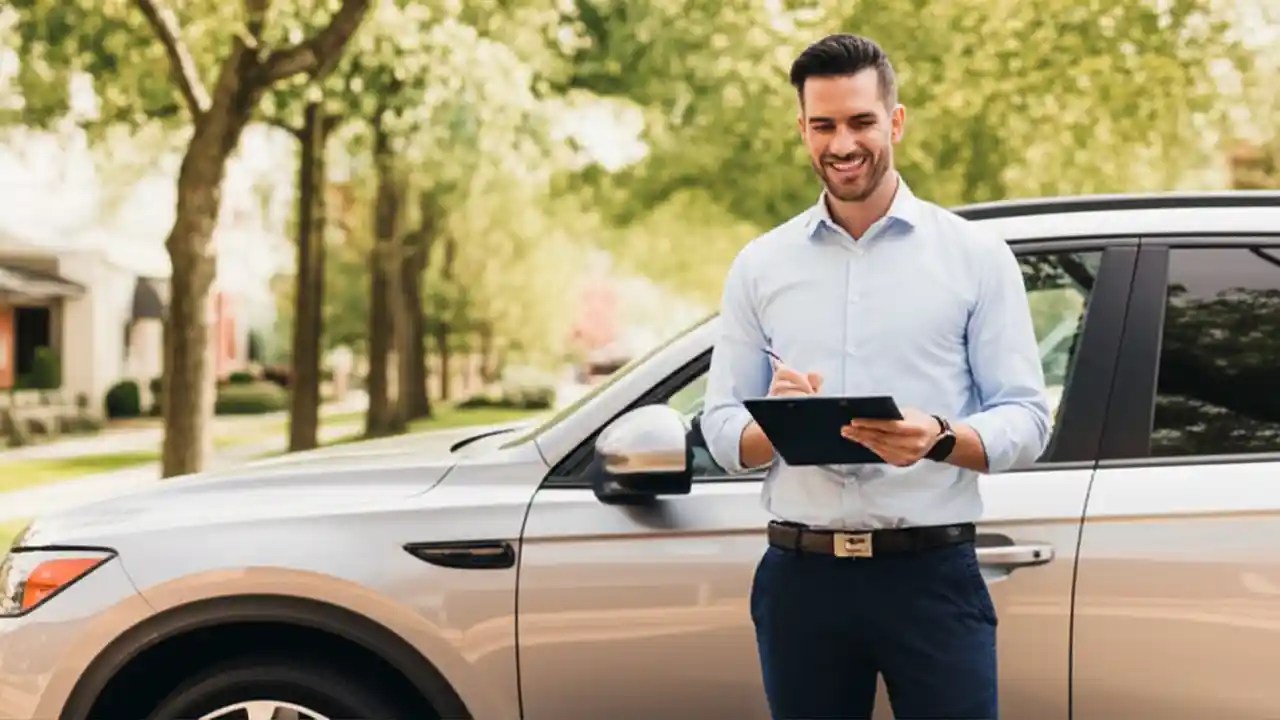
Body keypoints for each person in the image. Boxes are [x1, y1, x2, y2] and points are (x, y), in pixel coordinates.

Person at [700, 33, 1051, 720]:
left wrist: (940, 437)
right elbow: (719, 427)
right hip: (800, 581)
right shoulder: (761, 265)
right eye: (823, 125)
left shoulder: (976, 258)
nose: (842, 144)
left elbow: (1027, 418)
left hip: (931, 577)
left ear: (895, 121)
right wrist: (773, 427)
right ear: (801, 128)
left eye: (860, 121)